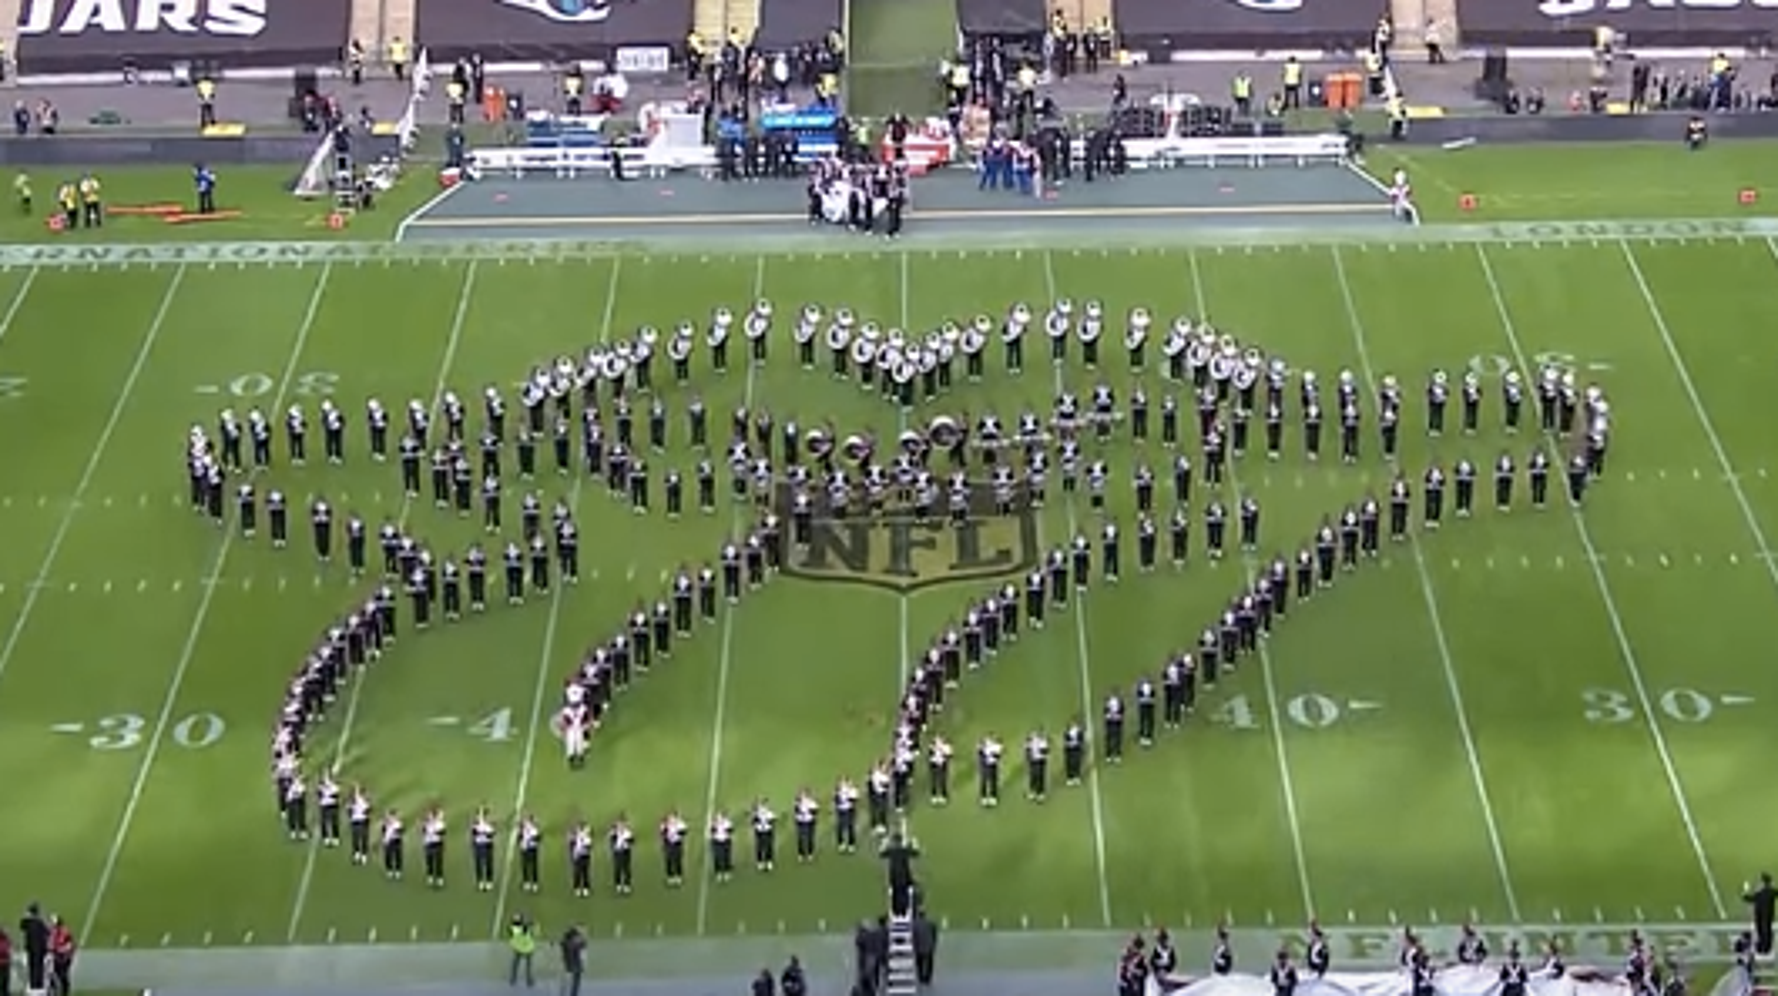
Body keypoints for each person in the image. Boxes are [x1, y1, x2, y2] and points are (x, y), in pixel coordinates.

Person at [1745, 873, 1775, 955]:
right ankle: (1766, 948)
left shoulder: (1760, 893)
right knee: (1767, 931)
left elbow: (1750, 898)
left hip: (1760, 916)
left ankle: (1762, 947)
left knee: (1761, 931)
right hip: (1768, 916)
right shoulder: (1771, 891)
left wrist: (1745, 893)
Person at [508, 914, 537, 987]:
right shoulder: (528, 928)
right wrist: (532, 924)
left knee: (515, 964)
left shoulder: (513, 928)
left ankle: (513, 979)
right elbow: (535, 933)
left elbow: (512, 932)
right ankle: (529, 980)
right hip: (528, 949)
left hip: (518, 949)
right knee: (529, 966)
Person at [559, 924, 586, 996]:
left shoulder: (564, 942)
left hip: (568, 966)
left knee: (565, 984)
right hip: (576, 966)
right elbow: (583, 955)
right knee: (575, 983)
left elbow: (561, 945)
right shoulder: (580, 943)